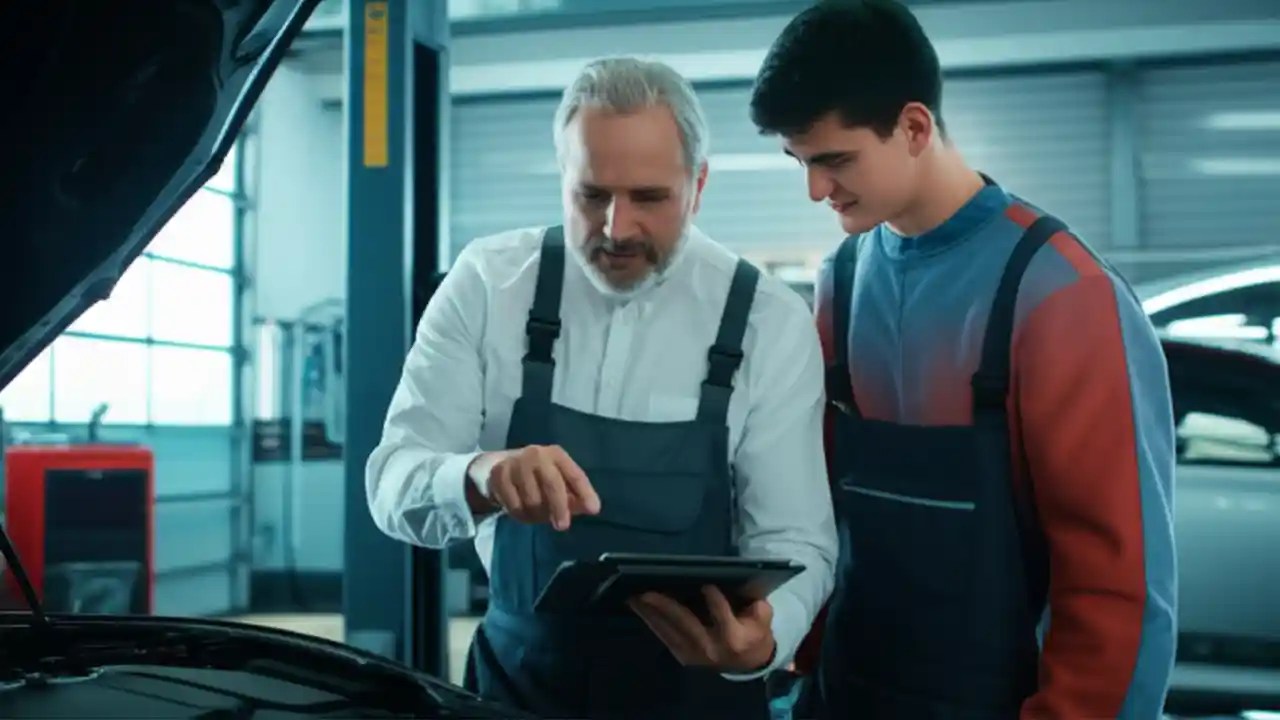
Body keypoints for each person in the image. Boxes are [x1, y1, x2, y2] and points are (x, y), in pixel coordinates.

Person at [365, 56, 838, 720]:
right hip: (516, 692)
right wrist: (479, 475)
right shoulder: (487, 285)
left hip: (696, 699)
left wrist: (763, 639)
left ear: (697, 186)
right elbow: (391, 485)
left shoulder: (768, 322)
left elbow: (797, 540)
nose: (617, 228)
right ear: (564, 178)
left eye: (649, 197)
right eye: (592, 195)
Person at [748, 2, 1178, 719]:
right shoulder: (841, 287)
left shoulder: (1062, 294)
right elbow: (820, 516)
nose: (815, 190)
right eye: (800, 162)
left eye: (834, 159)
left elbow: (1117, 588)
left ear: (914, 127)